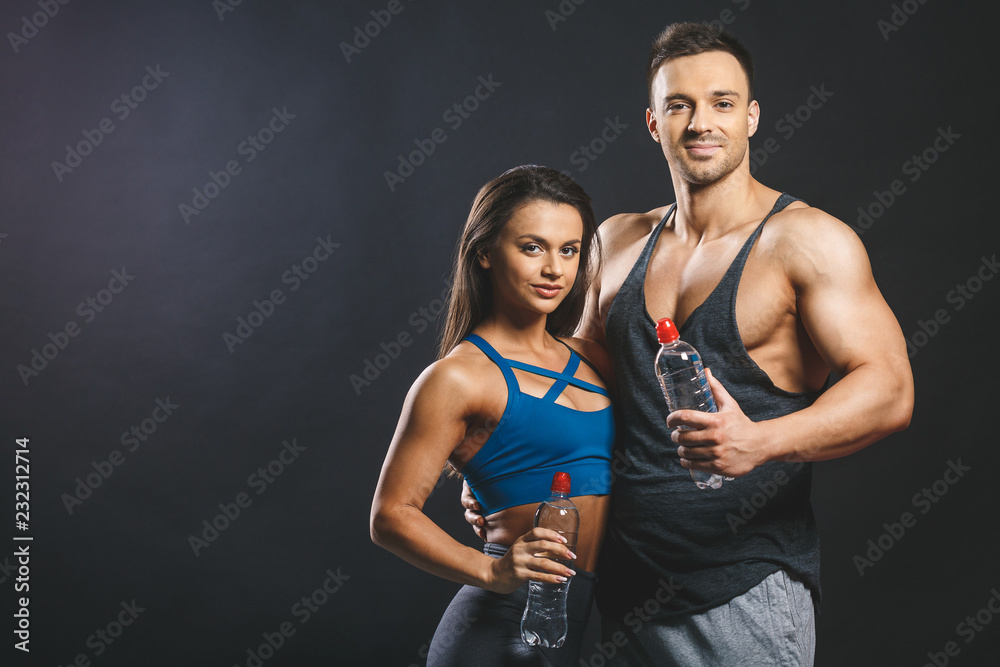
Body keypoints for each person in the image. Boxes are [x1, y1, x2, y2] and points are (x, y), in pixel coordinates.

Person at [465, 23, 914, 666]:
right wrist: (503, 462)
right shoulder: (616, 242)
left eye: (722, 102)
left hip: (738, 587)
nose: (702, 122)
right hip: (623, 584)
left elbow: (891, 390)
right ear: (654, 123)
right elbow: (578, 381)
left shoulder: (807, 241)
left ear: (752, 117)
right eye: (680, 105)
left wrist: (759, 442)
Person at [370, 165, 617, 666]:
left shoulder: (592, 355)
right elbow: (390, 516)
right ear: (484, 252)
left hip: (580, 621)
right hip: (502, 623)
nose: (555, 270)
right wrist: (492, 572)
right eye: (532, 247)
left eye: (569, 250)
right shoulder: (458, 378)